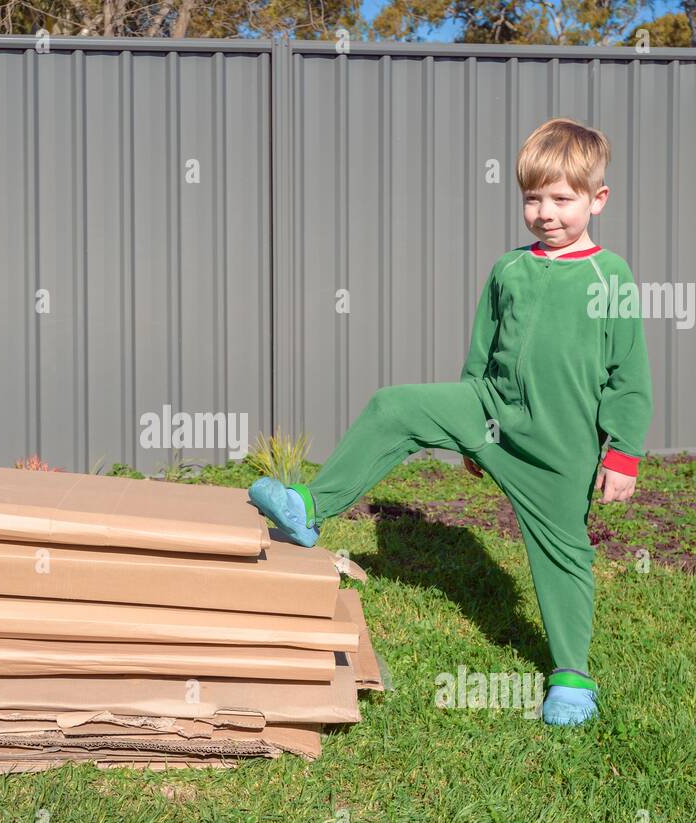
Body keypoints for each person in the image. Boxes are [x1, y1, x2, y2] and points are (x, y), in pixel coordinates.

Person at [248, 117, 653, 726]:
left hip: (561, 447)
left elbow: (630, 374)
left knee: (563, 553)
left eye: (562, 199)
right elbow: (481, 352)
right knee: (394, 404)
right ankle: (310, 507)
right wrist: (469, 427)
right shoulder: (508, 270)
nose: (546, 213)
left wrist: (621, 453)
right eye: (533, 198)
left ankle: (571, 674)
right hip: (489, 410)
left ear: (598, 199)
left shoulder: (610, 275)